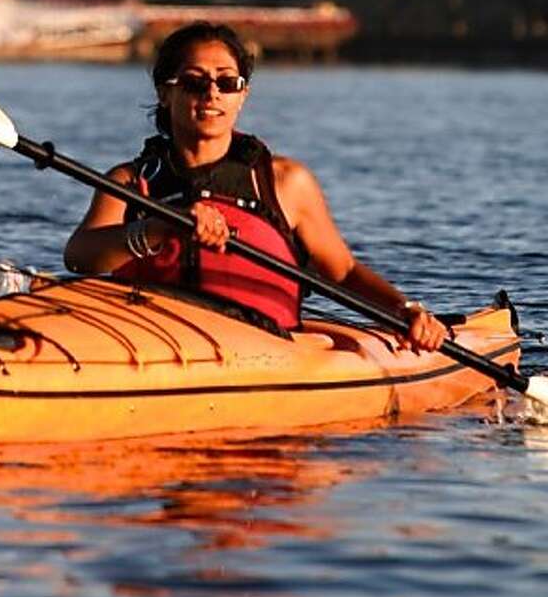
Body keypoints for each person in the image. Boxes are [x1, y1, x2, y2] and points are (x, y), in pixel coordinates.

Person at [64, 21, 447, 350]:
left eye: (227, 82)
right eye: (194, 82)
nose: (212, 93)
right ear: (165, 93)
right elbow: (79, 257)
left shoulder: (284, 182)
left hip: (266, 350)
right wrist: (159, 228)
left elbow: (342, 272)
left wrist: (405, 310)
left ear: (242, 95)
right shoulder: (131, 182)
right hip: (153, 344)